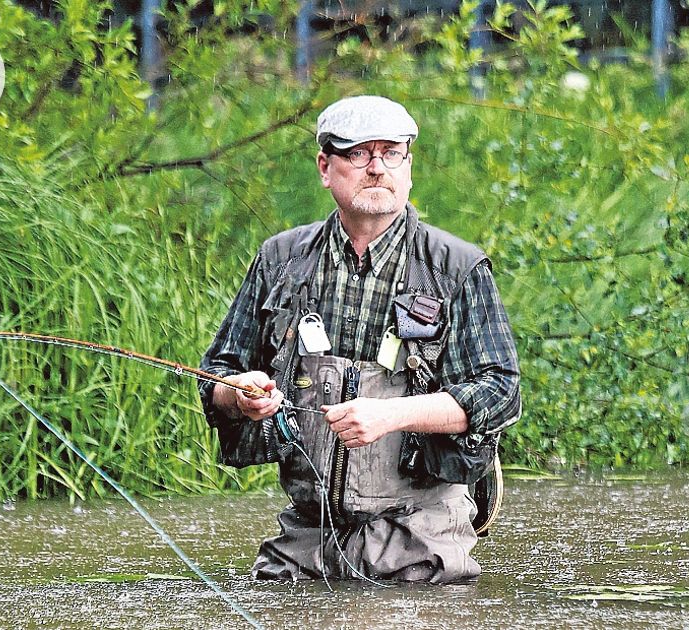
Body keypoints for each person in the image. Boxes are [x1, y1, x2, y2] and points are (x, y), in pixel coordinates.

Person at [198, 95, 521, 584]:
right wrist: (239, 395)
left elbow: (501, 394)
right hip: (306, 538)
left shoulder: (457, 266)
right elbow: (216, 377)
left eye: (391, 153)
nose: (376, 168)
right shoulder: (279, 259)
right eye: (358, 154)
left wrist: (391, 414)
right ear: (326, 167)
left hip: (422, 537)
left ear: (408, 167)